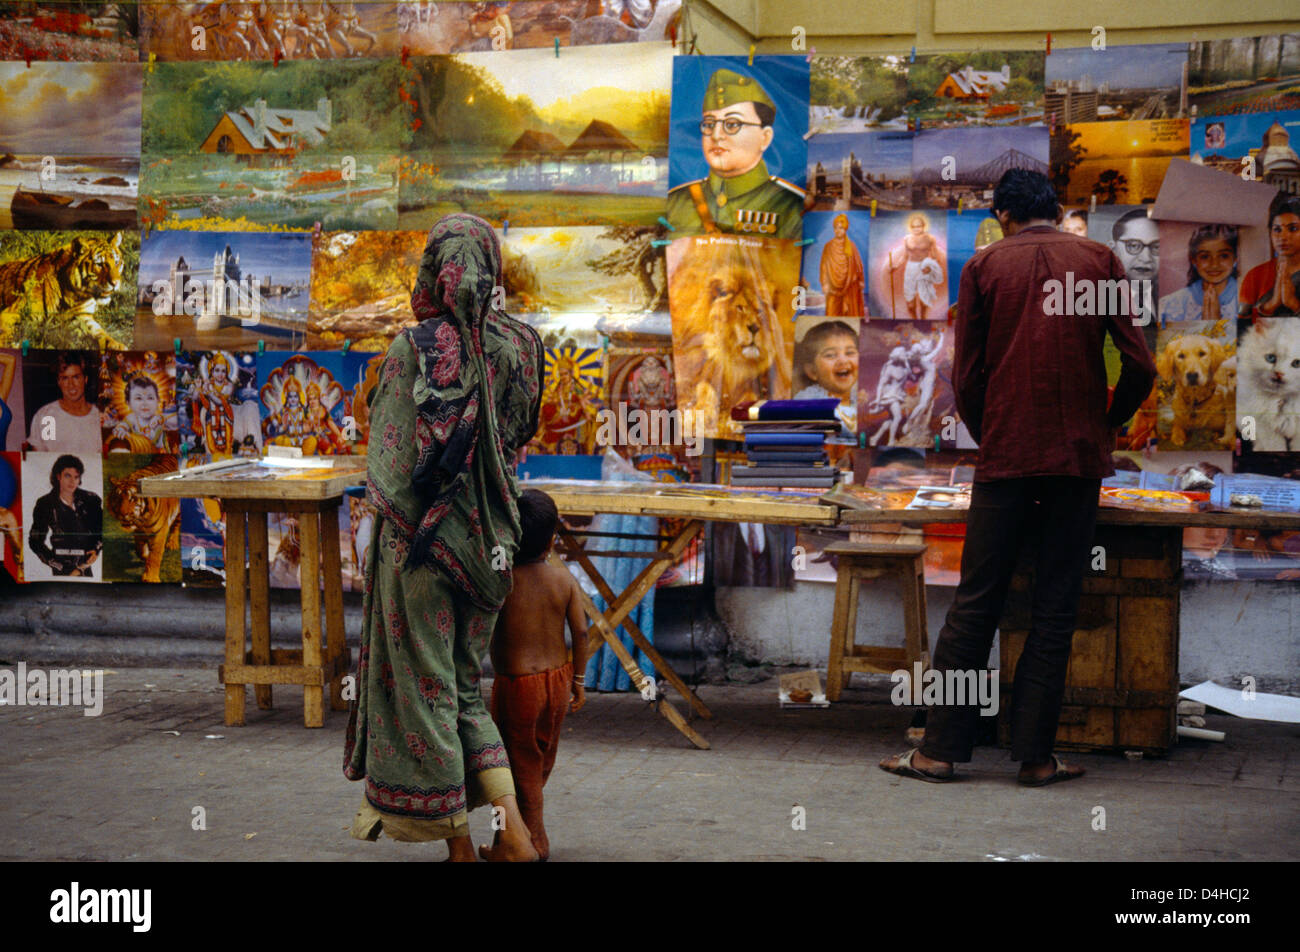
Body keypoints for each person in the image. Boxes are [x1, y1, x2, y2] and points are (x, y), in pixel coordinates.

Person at [880, 169, 1156, 786]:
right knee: (1056, 607)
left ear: (1003, 214)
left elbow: (966, 377)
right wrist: (1104, 422)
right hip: (1077, 460)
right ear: (1055, 211)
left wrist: (992, 432)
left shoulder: (983, 269)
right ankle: (1035, 759)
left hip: (1006, 458)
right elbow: (1139, 364)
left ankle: (938, 751)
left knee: (977, 602)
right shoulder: (1100, 261)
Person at [343, 213, 545, 862]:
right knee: (462, 689)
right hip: (492, 547)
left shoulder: (412, 349)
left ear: (433, 267)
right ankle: (509, 831)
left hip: (424, 554)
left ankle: (462, 848)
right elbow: (513, 438)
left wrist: (399, 538)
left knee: (428, 692)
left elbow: (393, 469)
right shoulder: (521, 345)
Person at [488, 489, 588, 861]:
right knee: (540, 759)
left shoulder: (502, 582)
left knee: (515, 766)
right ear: (551, 540)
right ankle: (512, 837)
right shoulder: (563, 581)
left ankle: (531, 841)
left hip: (517, 687)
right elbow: (580, 633)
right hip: (558, 682)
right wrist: (578, 682)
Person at [666, 68, 806, 239]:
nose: (716, 135)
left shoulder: (791, 206)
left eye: (732, 124)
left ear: (765, 137)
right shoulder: (676, 202)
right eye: (709, 124)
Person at [28, 454, 102, 578]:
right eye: (68, 476)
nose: (72, 482)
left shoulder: (91, 499)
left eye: (76, 477)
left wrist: (96, 549)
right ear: (58, 476)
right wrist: (58, 565)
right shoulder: (45, 503)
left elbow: (102, 530)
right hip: (61, 564)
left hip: (85, 564)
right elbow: (35, 541)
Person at [1158, 224, 1239, 323]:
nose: (1214, 265)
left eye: (1223, 256)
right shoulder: (1170, 305)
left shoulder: (1248, 301)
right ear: (1194, 260)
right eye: (1205, 257)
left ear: (1235, 259)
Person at [1239, 193, 1300, 317]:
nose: (1283, 237)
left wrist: (1293, 304)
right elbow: (1242, 330)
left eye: (1293, 229)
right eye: (1277, 230)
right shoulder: (1255, 276)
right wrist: (1271, 305)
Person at [25, 353, 100, 453]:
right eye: (65, 378)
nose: (71, 385)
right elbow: (40, 460)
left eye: (76, 377)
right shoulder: (47, 416)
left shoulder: (98, 417)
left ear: (85, 379)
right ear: (59, 382)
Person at [794, 319, 859, 437]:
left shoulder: (861, 399)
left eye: (850, 353)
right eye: (830, 355)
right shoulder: (808, 402)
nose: (843, 360)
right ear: (812, 371)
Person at [881, 213, 946, 319]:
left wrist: (930, 268)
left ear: (923, 226)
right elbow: (905, 256)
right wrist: (896, 266)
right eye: (914, 226)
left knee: (924, 301)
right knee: (910, 305)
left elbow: (935, 257)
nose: (916, 229)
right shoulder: (907, 239)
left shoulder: (930, 238)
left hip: (924, 269)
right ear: (911, 227)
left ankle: (923, 319)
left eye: (919, 226)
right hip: (910, 269)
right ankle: (914, 319)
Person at [819, 214, 866, 316]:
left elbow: (858, 265)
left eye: (840, 228)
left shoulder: (851, 246)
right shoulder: (828, 246)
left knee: (850, 314)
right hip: (832, 287)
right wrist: (824, 283)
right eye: (836, 227)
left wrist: (861, 280)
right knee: (832, 314)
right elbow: (823, 266)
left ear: (845, 229)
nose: (838, 230)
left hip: (849, 287)